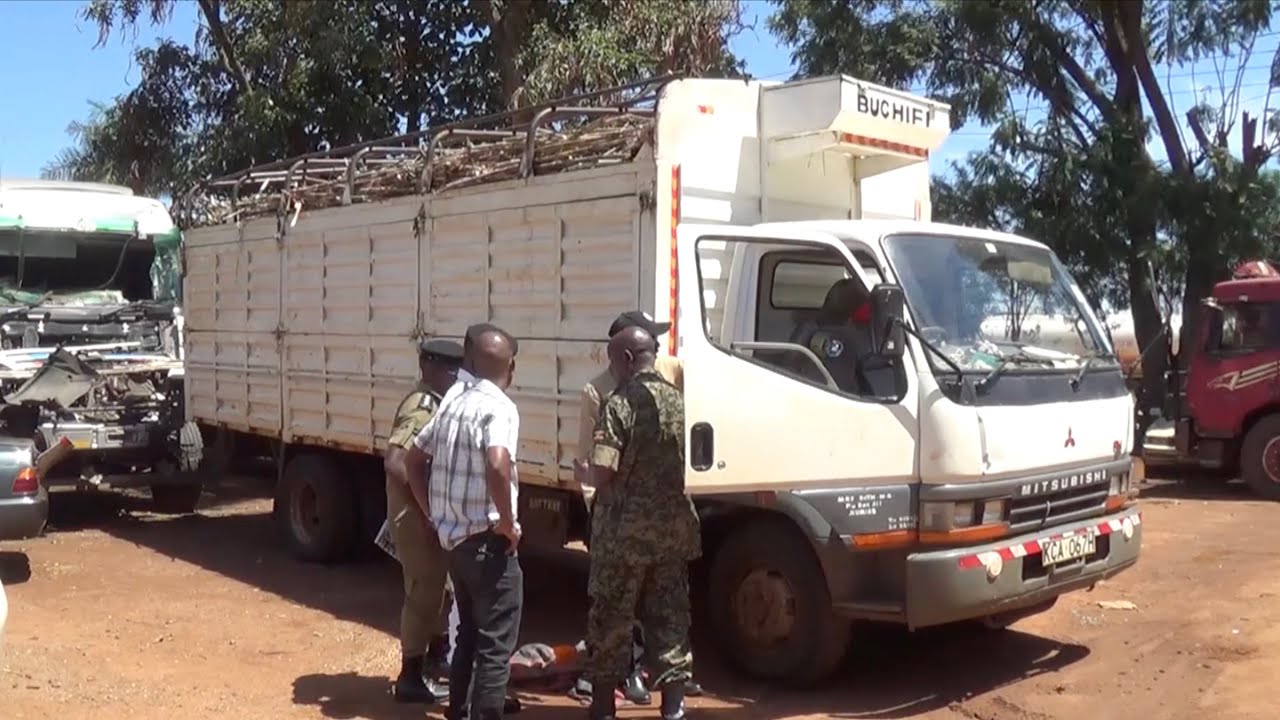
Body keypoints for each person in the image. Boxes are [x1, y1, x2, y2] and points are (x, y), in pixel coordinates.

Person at [572, 311, 702, 705]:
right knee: (671, 618)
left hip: (623, 537)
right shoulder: (681, 401)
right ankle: (674, 707)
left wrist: (585, 473)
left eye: (614, 360)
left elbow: (604, 470)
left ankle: (603, 707)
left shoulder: (619, 404)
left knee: (611, 618)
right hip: (673, 533)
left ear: (627, 359)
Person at [406, 325, 524, 720]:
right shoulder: (500, 407)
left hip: (455, 542)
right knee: (495, 643)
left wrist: (432, 513)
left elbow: (413, 459)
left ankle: (459, 710)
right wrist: (507, 522)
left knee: (469, 633)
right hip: (488, 542)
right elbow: (497, 463)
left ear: (470, 361)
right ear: (511, 368)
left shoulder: (452, 403)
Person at [384, 338, 464, 703]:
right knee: (423, 593)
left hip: (425, 511)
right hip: (415, 514)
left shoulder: (437, 402)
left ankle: (433, 663)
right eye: (452, 371)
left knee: (439, 590)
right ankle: (410, 677)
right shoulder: (423, 406)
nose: (456, 378)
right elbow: (396, 462)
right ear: (434, 369)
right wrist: (427, 512)